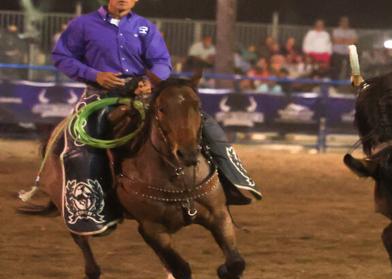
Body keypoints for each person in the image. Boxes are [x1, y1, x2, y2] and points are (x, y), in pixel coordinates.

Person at [21, 0, 261, 234]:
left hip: (142, 95)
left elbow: (162, 62)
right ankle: (90, 206)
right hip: (99, 95)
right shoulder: (83, 25)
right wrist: (95, 74)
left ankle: (231, 184)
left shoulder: (145, 27)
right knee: (80, 140)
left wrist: (150, 80)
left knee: (204, 124)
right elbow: (62, 57)